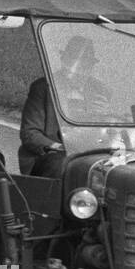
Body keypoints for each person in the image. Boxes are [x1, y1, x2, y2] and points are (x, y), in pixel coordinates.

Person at [19, 34, 109, 177]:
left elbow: (110, 132)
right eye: (72, 62)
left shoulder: (99, 89)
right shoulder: (43, 87)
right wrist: (58, 148)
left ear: (90, 67)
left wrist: (104, 116)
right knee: (63, 164)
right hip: (50, 155)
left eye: (83, 65)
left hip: (89, 152)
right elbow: (30, 133)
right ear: (64, 61)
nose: (77, 69)